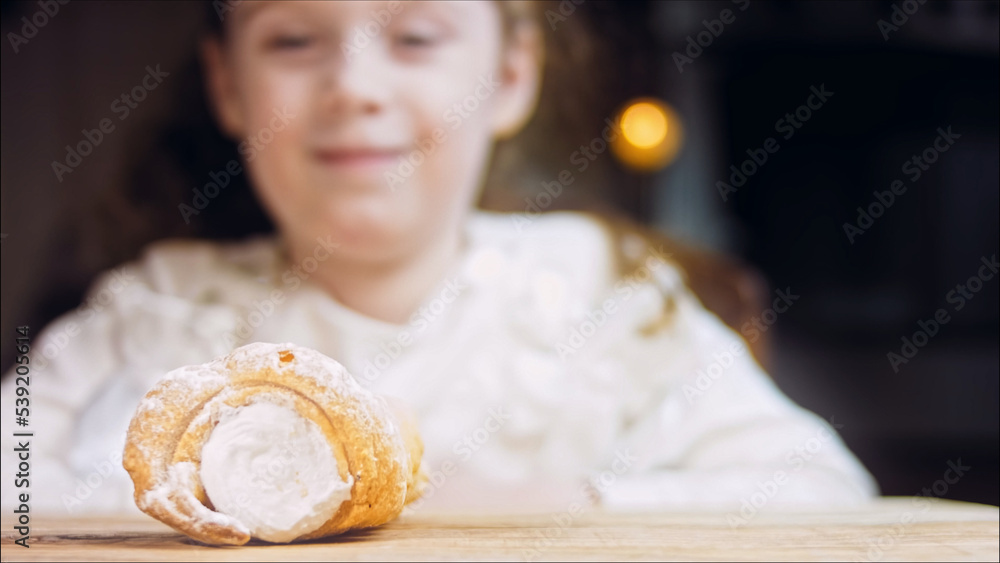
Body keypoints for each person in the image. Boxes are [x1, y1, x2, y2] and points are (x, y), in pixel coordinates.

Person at [0, 0, 877, 515]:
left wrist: (561, 501)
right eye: (293, 41)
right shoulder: (154, 312)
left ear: (509, 76)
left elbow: (824, 490)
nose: (356, 87)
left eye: (417, 37)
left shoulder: (602, 298)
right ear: (229, 85)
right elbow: (17, 489)